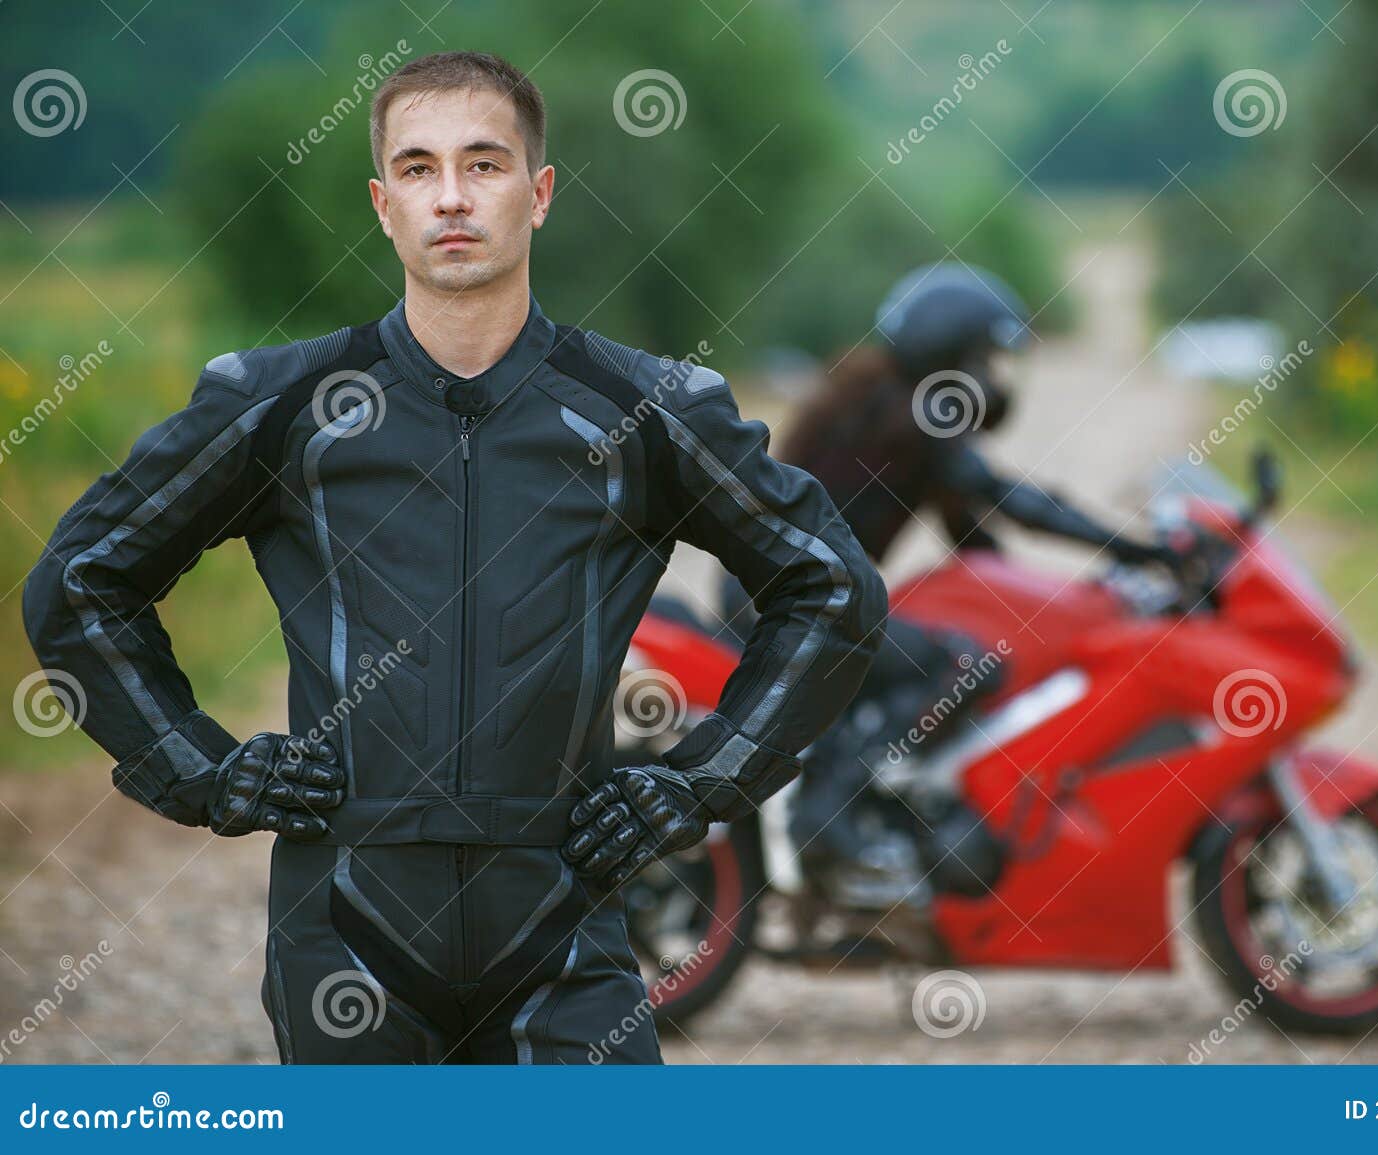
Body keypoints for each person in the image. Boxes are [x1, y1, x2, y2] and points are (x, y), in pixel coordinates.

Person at [22, 51, 885, 1064]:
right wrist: (203, 773)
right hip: (345, 934)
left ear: (539, 192)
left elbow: (832, 589)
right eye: (419, 169)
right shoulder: (283, 406)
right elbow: (80, 583)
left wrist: (699, 784)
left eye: (483, 164)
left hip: (565, 932)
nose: (452, 198)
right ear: (384, 206)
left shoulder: (645, 411)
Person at [736, 263, 1179, 907]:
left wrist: (1071, 594)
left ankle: (879, 808)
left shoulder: (884, 406)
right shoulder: (911, 414)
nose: (993, 378)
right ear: (949, 358)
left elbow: (974, 539)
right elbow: (1008, 498)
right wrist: (1138, 548)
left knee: (942, 647)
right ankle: (827, 813)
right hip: (794, 604)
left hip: (783, 594)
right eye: (984, 359)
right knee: (965, 666)